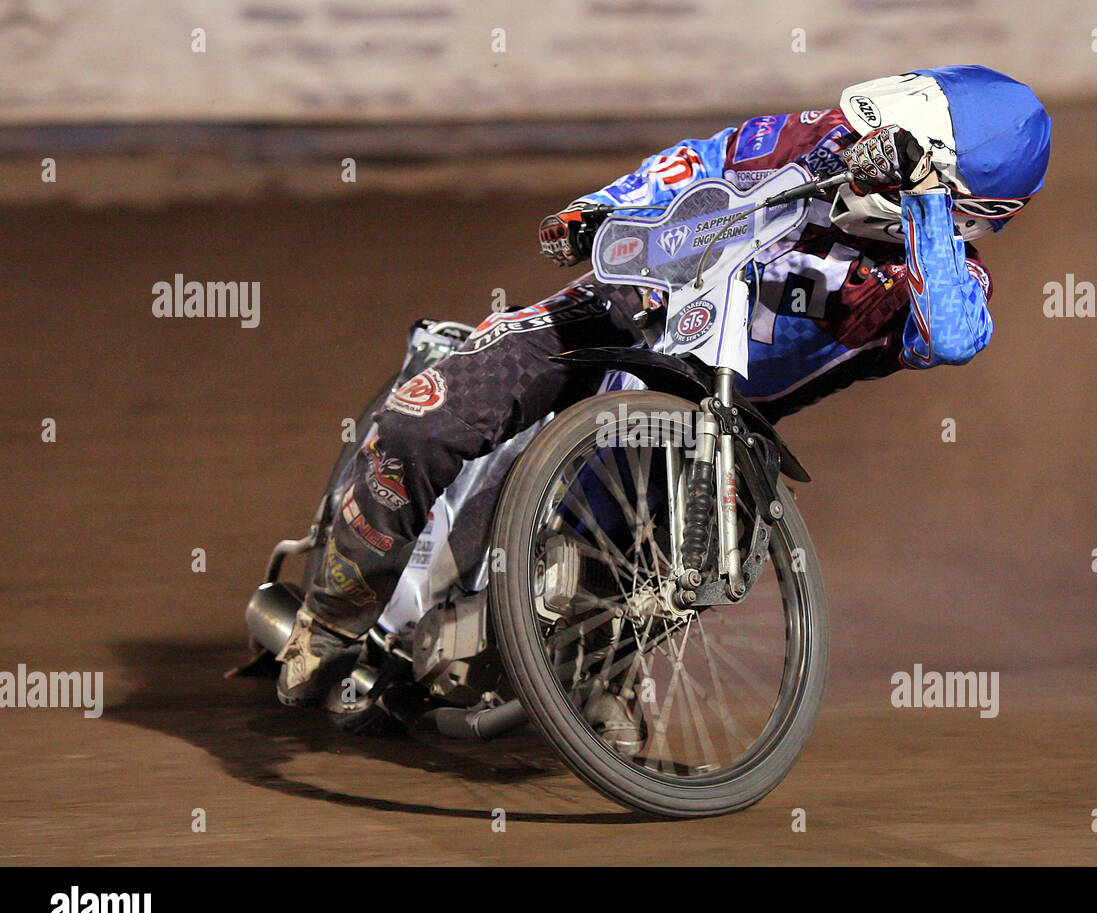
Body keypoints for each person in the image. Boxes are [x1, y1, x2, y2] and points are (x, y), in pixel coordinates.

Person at [275, 65, 1053, 728]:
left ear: (963, 205)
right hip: (612, 309)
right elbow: (699, 159)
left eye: (902, 151)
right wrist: (600, 207)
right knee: (427, 417)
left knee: (712, 539)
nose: (865, 149)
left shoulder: (942, 284)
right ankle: (332, 615)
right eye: (883, 134)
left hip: (701, 422)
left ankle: (579, 669)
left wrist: (922, 206)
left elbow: (952, 336)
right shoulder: (815, 141)